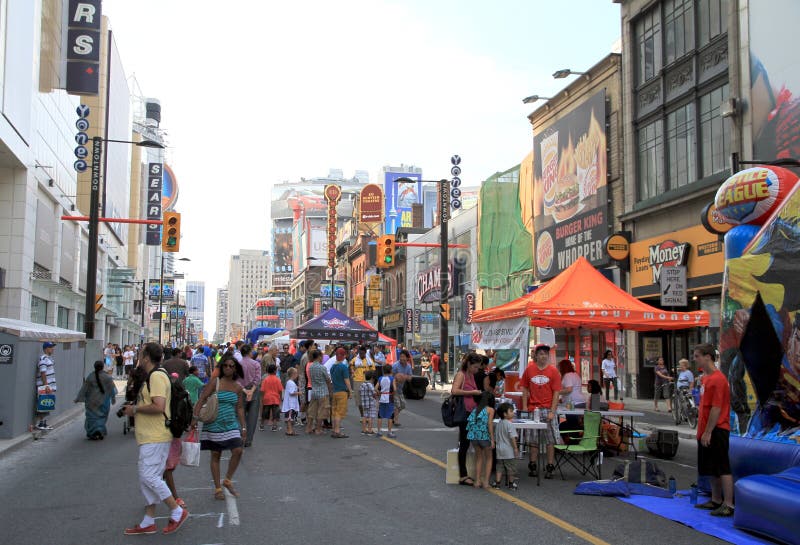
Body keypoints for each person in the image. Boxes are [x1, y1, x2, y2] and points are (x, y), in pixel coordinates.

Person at [122, 343, 188, 536]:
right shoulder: (153, 375)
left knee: (149, 476)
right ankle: (148, 521)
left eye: (141, 354)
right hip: (151, 436)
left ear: (146, 357)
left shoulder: (157, 376)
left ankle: (176, 510)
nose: (138, 358)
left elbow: (158, 406)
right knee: (149, 478)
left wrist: (135, 409)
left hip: (155, 435)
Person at [192, 354, 245, 501]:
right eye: (225, 365)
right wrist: (194, 418)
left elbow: (240, 408)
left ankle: (227, 480)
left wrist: (244, 427)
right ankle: (218, 489)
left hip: (231, 424)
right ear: (222, 367)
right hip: (214, 423)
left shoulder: (237, 387)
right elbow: (202, 398)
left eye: (231, 366)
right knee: (216, 455)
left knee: (238, 450)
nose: (228, 368)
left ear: (235, 369)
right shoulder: (215, 382)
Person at [693, 343, 735, 517]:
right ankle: (716, 499)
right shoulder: (705, 378)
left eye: (697, 356)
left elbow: (716, 408)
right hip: (706, 429)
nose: (695, 359)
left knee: (722, 466)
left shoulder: (718, 379)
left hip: (718, 428)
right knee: (711, 466)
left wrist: (708, 431)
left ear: (708, 357)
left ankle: (728, 504)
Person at [520, 343, 562, 479]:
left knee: (550, 439)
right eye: (541, 354)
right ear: (536, 356)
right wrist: (525, 406)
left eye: (546, 354)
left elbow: (556, 392)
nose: (543, 356)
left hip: (548, 408)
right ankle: (532, 465)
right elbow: (524, 388)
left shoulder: (554, 371)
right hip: (533, 408)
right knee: (533, 439)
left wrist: (552, 411)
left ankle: (550, 466)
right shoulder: (529, 370)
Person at [451, 353, 482, 486]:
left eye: (478, 368)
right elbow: (454, 391)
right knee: (464, 443)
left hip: (471, 412)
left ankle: (467, 473)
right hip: (464, 413)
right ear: (469, 364)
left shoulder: (471, 375)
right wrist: (471, 393)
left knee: (467, 443)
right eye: (475, 367)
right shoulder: (461, 375)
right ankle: (463, 476)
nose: (476, 370)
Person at [74, 360, 117, 440]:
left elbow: (84, 388)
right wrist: (113, 398)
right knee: (101, 417)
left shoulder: (90, 377)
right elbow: (112, 389)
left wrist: (78, 398)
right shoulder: (107, 377)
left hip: (91, 402)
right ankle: (99, 430)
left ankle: (93, 432)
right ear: (103, 367)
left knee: (92, 417)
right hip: (104, 402)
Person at [466, 390, 495, 489]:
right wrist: (492, 439)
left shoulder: (475, 409)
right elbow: (490, 424)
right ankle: (486, 482)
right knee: (489, 458)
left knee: (479, 458)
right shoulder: (490, 410)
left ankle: (477, 481)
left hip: (474, 437)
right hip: (484, 437)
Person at [238, 344, 262, 447]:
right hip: (254, 390)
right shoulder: (256, 364)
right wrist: (251, 391)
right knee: (253, 416)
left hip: (241, 391)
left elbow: (236, 380)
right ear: (249, 352)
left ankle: (240, 436)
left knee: (240, 414)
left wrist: (244, 390)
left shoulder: (238, 364)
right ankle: (248, 439)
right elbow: (258, 379)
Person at [493, 402, 520, 490]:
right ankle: (511, 484)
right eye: (511, 411)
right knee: (510, 468)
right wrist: (515, 448)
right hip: (509, 451)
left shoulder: (498, 424)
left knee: (499, 467)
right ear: (505, 414)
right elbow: (512, 437)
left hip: (499, 450)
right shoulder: (510, 424)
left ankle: (497, 483)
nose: (513, 413)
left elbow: (496, 437)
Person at [306, 349, 332, 435]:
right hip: (323, 391)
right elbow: (328, 379)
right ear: (319, 356)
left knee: (312, 411)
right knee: (322, 412)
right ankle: (318, 429)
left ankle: (308, 428)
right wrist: (330, 391)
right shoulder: (322, 367)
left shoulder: (311, 367)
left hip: (314, 391)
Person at [330, 347, 352, 438]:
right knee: (339, 412)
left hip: (335, 391)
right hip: (342, 391)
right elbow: (346, 380)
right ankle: (337, 431)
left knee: (334, 412)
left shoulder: (332, 367)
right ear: (344, 356)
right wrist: (350, 391)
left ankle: (334, 430)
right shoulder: (343, 367)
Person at [35, 342, 57, 430]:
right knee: (43, 404)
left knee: (47, 404)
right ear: (46, 349)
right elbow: (43, 373)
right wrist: (46, 386)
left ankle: (44, 423)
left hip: (49, 386)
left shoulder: (49, 359)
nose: (53, 349)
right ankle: (40, 423)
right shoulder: (43, 359)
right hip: (44, 386)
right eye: (51, 347)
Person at [350, 346, 374, 419]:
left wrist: (368, 372)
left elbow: (373, 370)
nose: (361, 355)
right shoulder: (354, 360)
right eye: (360, 353)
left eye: (362, 353)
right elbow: (351, 366)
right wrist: (352, 371)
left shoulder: (369, 361)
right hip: (357, 381)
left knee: (367, 399)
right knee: (359, 400)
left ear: (365, 353)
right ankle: (362, 415)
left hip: (367, 381)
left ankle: (367, 415)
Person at [391, 349, 413, 427]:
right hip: (393, 388)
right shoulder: (395, 365)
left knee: (403, 405)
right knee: (397, 405)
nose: (401, 358)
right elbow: (389, 376)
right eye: (400, 356)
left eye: (403, 357)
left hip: (400, 389)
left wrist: (404, 376)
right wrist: (396, 378)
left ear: (407, 358)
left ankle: (393, 415)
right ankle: (396, 421)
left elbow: (410, 378)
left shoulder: (408, 367)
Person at [260, 363, 283, 432]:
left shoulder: (265, 379)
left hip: (267, 398)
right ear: (274, 371)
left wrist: (262, 398)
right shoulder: (277, 379)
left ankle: (262, 425)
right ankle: (274, 426)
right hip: (275, 398)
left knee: (264, 412)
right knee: (275, 413)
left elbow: (262, 390)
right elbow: (280, 390)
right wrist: (280, 397)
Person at [375, 364, 395, 438]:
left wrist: (379, 392)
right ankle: (389, 432)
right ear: (391, 371)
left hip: (382, 397)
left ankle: (379, 431)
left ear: (383, 371)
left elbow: (375, 388)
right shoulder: (392, 378)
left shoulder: (380, 378)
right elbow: (395, 389)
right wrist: (393, 394)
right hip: (389, 397)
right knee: (390, 415)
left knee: (380, 415)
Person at [281, 367, 300, 436]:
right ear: (293, 374)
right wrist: (299, 393)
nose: (297, 375)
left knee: (290, 417)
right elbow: (291, 393)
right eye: (296, 373)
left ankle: (289, 429)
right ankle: (290, 430)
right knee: (290, 418)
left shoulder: (289, 382)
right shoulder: (291, 383)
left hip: (289, 403)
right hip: (291, 403)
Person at [359, 371, 377, 435]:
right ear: (372, 378)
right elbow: (374, 393)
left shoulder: (362, 384)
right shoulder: (370, 385)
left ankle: (364, 430)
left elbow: (359, 392)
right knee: (370, 417)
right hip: (371, 403)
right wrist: (375, 396)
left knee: (364, 416)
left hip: (364, 403)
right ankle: (370, 430)